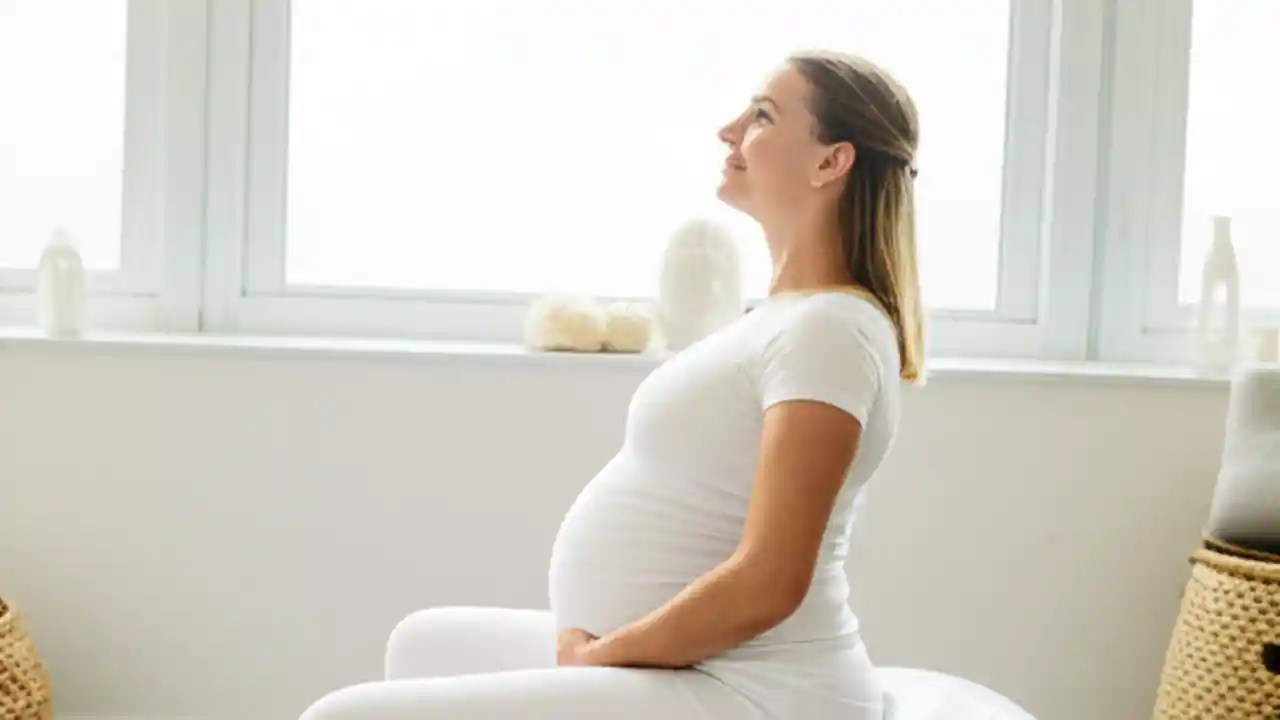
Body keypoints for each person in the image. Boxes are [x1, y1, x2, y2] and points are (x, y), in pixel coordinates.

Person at [301, 49, 925, 720]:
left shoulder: (830, 331)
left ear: (832, 161)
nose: (730, 130)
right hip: (700, 666)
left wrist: (608, 655)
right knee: (423, 643)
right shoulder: (787, 318)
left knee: (342, 717)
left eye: (762, 116)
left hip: (759, 689)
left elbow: (771, 580)